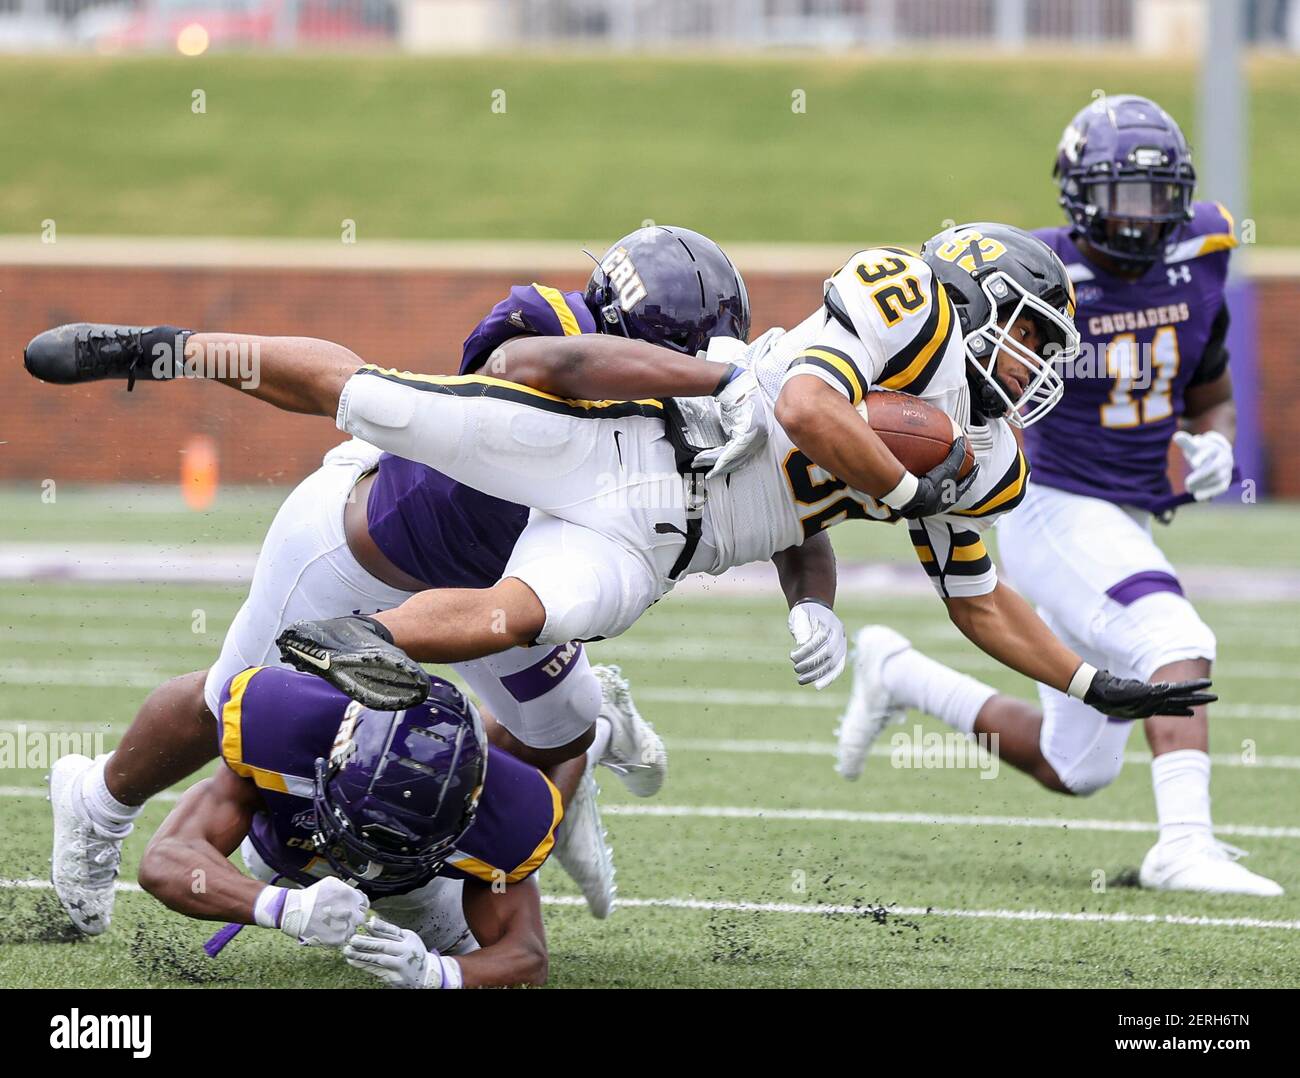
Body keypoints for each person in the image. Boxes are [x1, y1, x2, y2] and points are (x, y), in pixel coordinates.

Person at [40, 226, 773, 936]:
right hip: (362, 556)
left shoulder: (698, 416)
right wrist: (715, 376)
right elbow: (540, 367)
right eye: (682, 357)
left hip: (498, 596)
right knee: (229, 709)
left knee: (564, 734)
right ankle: (96, 802)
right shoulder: (552, 331)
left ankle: (576, 748)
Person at [834, 97, 1278, 897]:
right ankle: (1184, 845)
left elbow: (1210, 389)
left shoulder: (1206, 249)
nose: (1141, 221)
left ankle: (898, 672)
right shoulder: (1035, 273)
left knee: (1074, 766)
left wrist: (1214, 439)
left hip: (1126, 515)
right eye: (1121, 198)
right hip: (1051, 504)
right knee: (1173, 632)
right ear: (1079, 195)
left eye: (1155, 198)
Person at [136, 665, 556, 988]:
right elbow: (166, 860)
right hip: (287, 851)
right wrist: (284, 907)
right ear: (332, 760)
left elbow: (526, 955)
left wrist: (437, 973)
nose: (368, 863)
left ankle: (588, 730)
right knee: (265, 862)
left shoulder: (507, 816)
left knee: (451, 940)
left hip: (420, 889)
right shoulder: (282, 728)